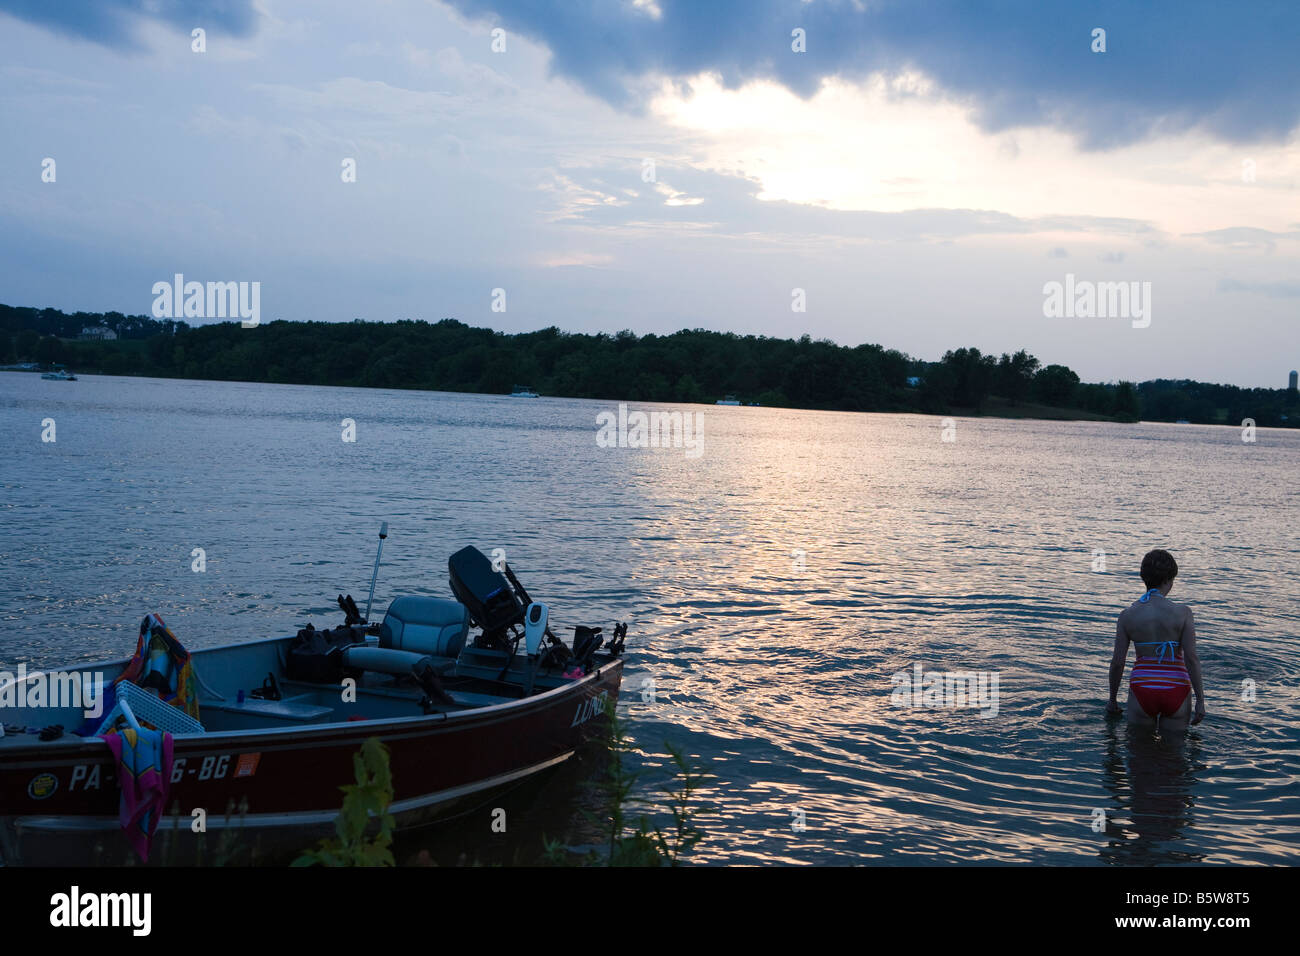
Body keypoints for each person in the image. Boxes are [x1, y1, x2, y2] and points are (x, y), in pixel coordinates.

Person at [1107, 549, 1205, 731]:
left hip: (1142, 688)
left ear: (1144, 577)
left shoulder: (1127, 616)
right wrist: (1200, 700)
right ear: (1168, 579)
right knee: (1175, 756)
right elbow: (1191, 659)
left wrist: (1112, 699)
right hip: (1176, 687)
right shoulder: (1183, 613)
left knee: (1139, 754)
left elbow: (1117, 663)